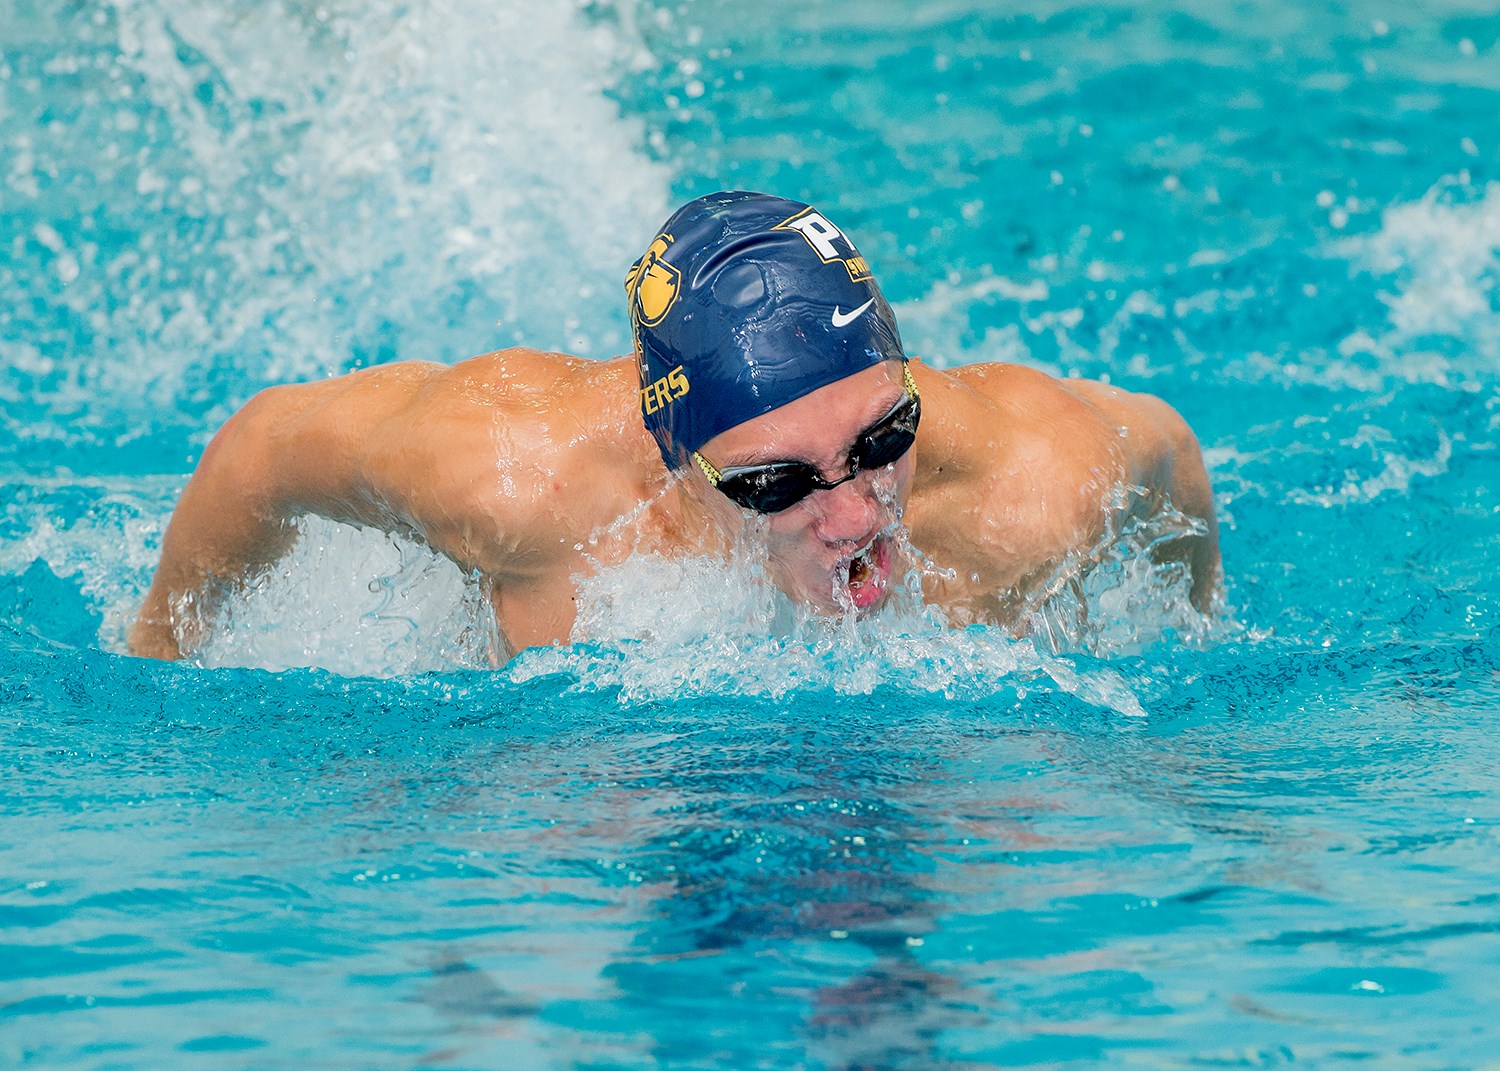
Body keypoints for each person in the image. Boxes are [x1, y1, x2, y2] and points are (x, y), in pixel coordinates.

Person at [128, 191, 1220, 661]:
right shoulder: (515, 480)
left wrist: (1195, 631)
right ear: (675, 459)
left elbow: (1169, 453)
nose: (854, 514)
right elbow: (261, 450)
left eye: (885, 442)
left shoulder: (1030, 481)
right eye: (772, 483)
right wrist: (165, 656)